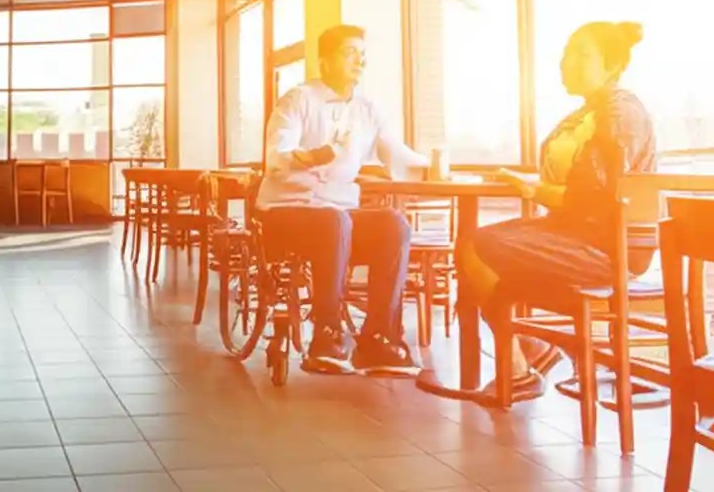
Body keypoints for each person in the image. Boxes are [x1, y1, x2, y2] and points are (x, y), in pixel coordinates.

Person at [462, 21, 655, 398]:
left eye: (581, 53)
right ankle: (532, 350)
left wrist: (535, 190)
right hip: (573, 233)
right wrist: (534, 186)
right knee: (475, 255)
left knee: (477, 249)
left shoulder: (621, 114)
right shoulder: (585, 114)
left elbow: (596, 198)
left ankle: (524, 361)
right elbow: (571, 181)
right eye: (567, 52)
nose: (567, 62)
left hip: (607, 245)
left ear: (612, 65)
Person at [257, 24, 428, 375]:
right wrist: (305, 157)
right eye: (350, 52)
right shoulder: (299, 98)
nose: (360, 60)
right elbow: (276, 155)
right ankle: (327, 334)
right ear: (324, 62)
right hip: (287, 209)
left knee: (392, 224)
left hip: (337, 213)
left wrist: (433, 166)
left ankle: (379, 337)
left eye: (362, 54)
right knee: (334, 220)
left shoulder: (369, 109)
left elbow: (394, 152)